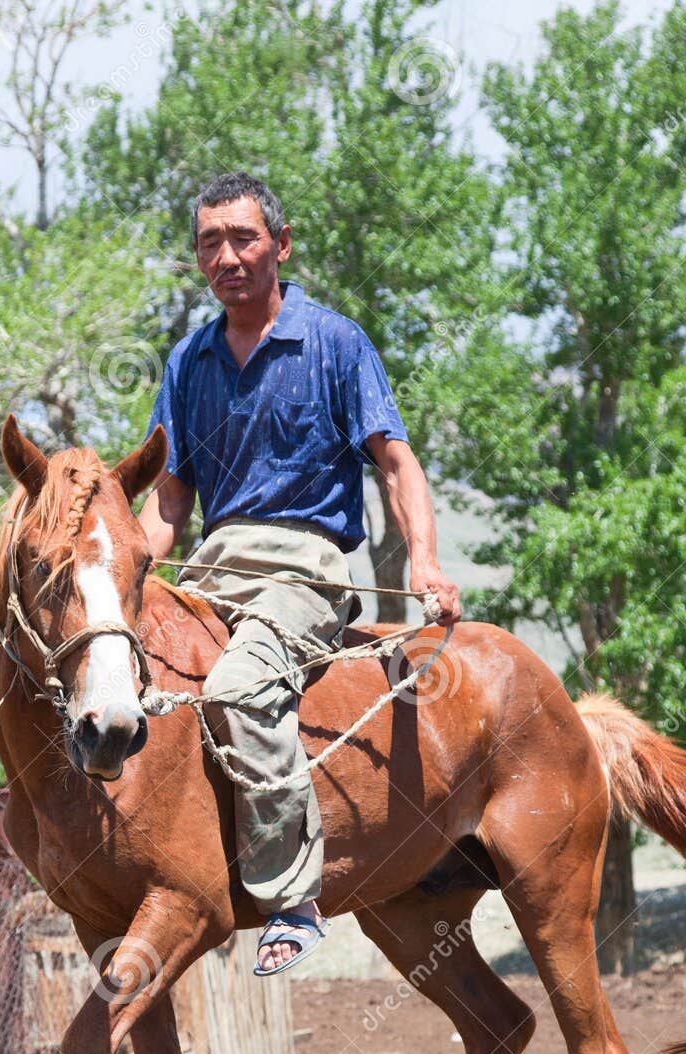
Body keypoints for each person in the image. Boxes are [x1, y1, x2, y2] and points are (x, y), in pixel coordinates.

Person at [138, 171, 460, 976]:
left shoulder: (334, 341)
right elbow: (169, 499)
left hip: (305, 567)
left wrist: (423, 560)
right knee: (130, 688)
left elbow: (394, 463)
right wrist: (122, 584)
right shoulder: (189, 360)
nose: (227, 256)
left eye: (243, 238)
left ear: (279, 246)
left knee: (238, 690)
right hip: (212, 567)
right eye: (210, 242)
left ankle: (291, 896)